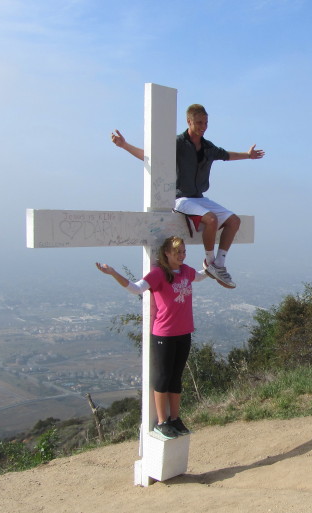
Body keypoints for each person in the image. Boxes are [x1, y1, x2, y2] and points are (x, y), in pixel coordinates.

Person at [110, 103, 265, 289]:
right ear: (189, 121)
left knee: (234, 221)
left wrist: (248, 156)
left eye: (206, 122)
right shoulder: (177, 144)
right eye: (199, 122)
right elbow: (150, 156)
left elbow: (226, 155)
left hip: (199, 197)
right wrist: (124, 145)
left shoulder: (208, 147)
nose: (203, 126)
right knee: (211, 219)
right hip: (181, 198)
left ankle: (220, 264)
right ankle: (210, 262)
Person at [96, 236, 207, 439]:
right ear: (167, 253)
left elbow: (199, 276)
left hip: (184, 331)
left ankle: (175, 418)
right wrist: (112, 273)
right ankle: (162, 421)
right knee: (163, 378)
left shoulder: (185, 271)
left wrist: (209, 267)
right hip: (164, 333)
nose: (182, 255)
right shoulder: (158, 274)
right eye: (177, 252)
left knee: (176, 378)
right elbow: (136, 288)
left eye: (183, 251)